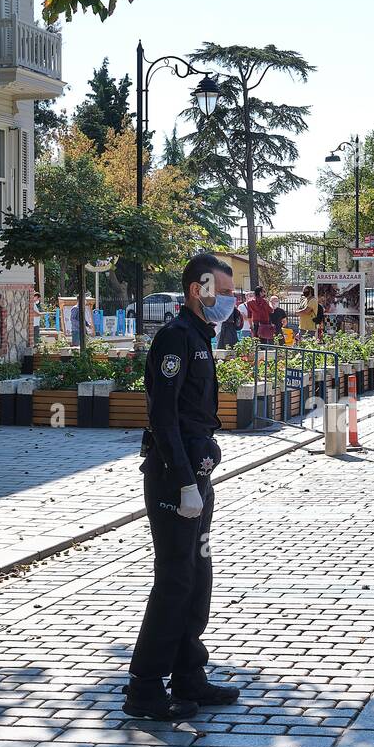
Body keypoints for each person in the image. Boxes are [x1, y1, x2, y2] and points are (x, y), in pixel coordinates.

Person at [125, 254, 242, 722]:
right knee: (174, 578)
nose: (229, 300)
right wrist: (182, 480)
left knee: (198, 573)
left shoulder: (200, 336)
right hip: (176, 476)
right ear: (199, 289)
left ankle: (188, 671)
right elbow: (164, 414)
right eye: (223, 291)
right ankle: (146, 686)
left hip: (198, 473)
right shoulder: (175, 337)